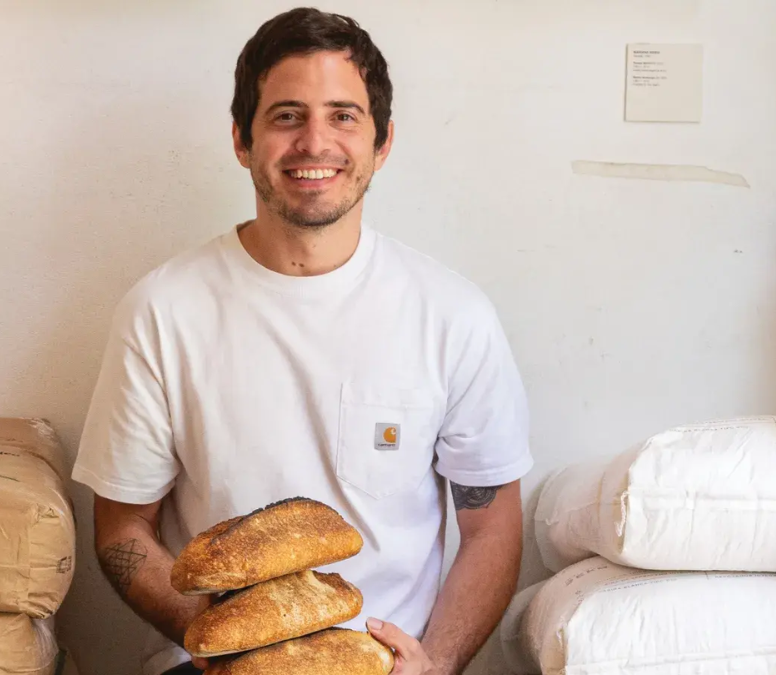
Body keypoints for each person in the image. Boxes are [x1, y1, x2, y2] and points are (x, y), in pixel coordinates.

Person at [72, 7, 533, 675]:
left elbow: (491, 526)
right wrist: (211, 634)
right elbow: (122, 528)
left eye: (343, 115)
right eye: (286, 115)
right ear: (241, 139)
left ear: (383, 142)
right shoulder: (163, 310)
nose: (315, 142)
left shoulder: (452, 314)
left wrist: (436, 662)